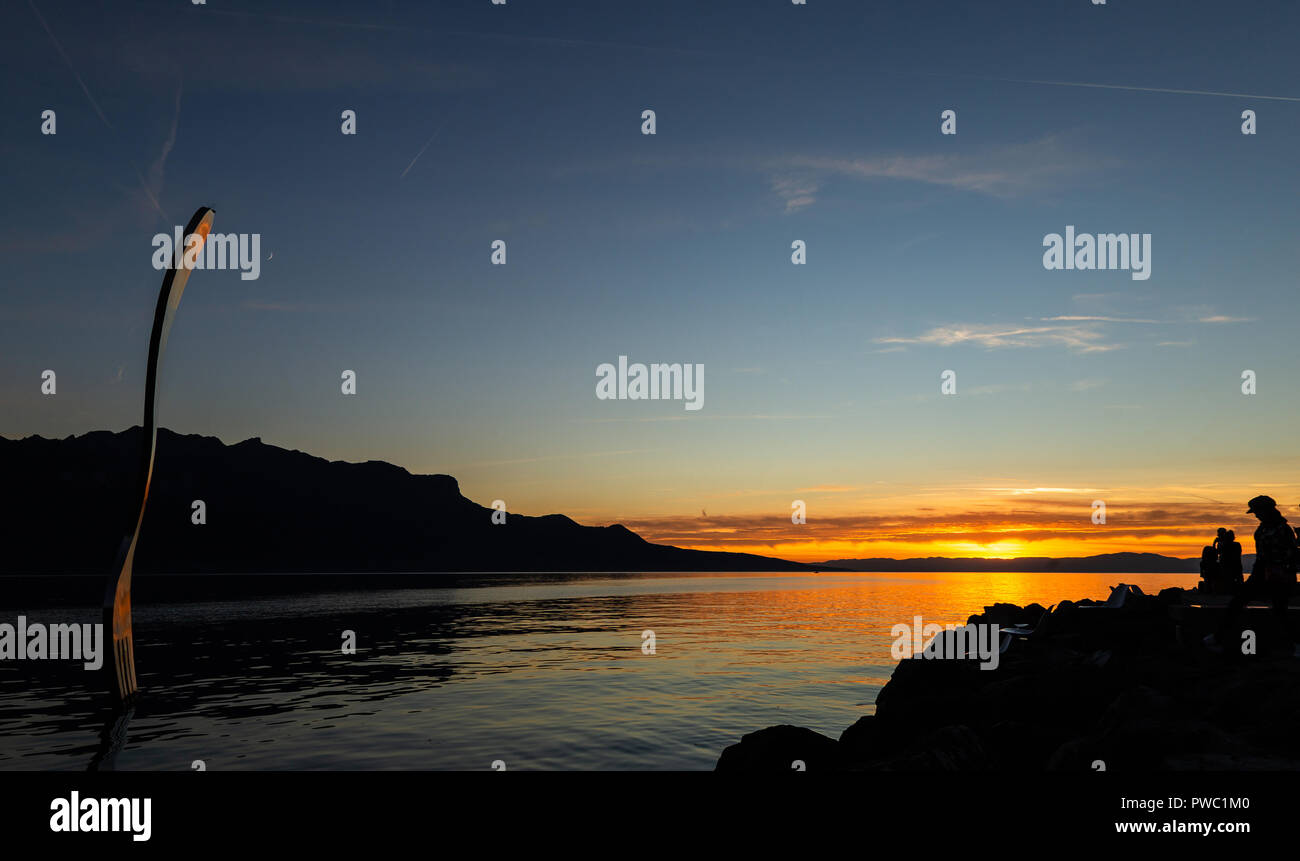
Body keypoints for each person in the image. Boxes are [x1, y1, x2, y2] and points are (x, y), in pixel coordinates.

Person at [1206, 496, 1297, 655]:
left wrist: (1285, 573)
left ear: (1267, 511)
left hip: (1279, 577)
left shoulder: (1283, 529)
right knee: (1237, 602)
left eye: (1257, 512)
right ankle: (1217, 638)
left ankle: (1295, 645)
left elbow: (1292, 555)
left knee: (1280, 611)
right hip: (1260, 574)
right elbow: (1260, 557)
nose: (1255, 515)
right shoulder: (1261, 530)